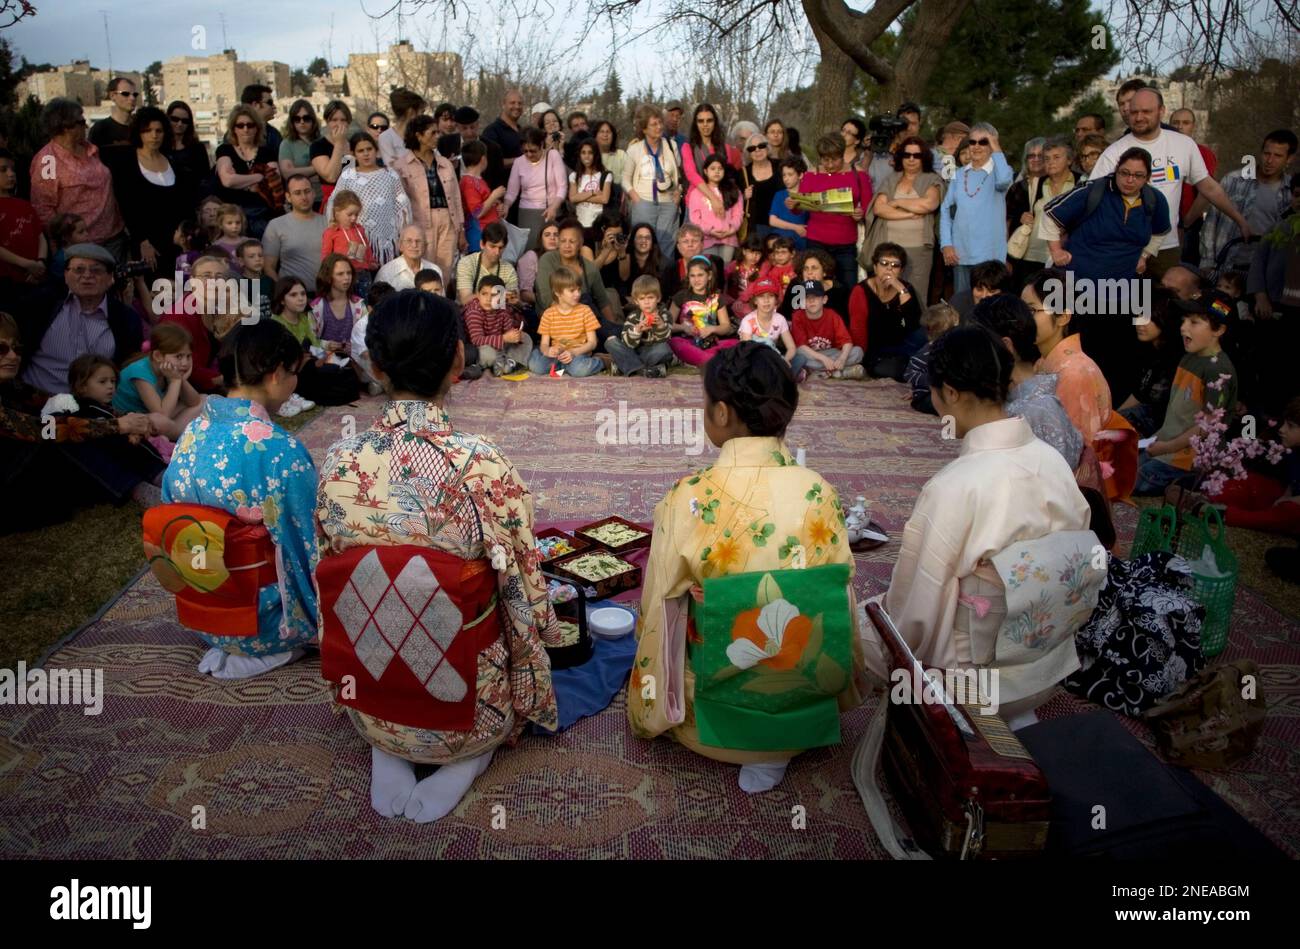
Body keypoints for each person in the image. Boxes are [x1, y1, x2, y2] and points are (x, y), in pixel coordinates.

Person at [315, 289, 560, 822]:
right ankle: (464, 758)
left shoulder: (339, 463)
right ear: (457, 357)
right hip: (470, 706)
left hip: (371, 694)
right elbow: (524, 588)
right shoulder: (481, 464)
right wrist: (544, 639)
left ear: (374, 365)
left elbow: (329, 579)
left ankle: (390, 743)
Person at [628, 342, 863, 793]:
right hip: (805, 705)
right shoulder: (819, 491)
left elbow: (659, 605)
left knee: (668, 604)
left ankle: (714, 726)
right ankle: (779, 742)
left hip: (708, 723)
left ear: (720, 412)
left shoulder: (691, 496)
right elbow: (839, 595)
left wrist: (648, 699)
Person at [866, 325, 1100, 726]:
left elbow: (915, 617)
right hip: (1046, 669)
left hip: (969, 684)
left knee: (854, 626)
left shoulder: (956, 486)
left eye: (934, 391)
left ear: (951, 393)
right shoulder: (1051, 460)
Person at [160, 319, 319, 679]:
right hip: (266, 623)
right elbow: (307, 547)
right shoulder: (279, 451)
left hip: (203, 610)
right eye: (294, 372)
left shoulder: (192, 433)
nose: (296, 382)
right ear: (276, 373)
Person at [0, 312, 155, 533]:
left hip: (32, 482)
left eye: (17, 348)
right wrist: (119, 425)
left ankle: (156, 476)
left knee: (77, 410)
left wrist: (121, 417)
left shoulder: (13, 387)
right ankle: (139, 490)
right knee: (62, 429)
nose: (13, 356)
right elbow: (43, 430)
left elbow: (69, 403)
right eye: (2, 349)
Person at [1042, 147, 1171, 401]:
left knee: (1125, 354)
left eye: (1137, 175)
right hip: (1080, 284)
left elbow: (1161, 231)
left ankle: (1115, 412)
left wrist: (1144, 256)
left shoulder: (1155, 201)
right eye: (1124, 173)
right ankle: (1071, 406)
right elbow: (1050, 214)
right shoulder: (1094, 191)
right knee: (1080, 350)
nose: (1129, 180)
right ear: (1116, 170)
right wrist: (1056, 250)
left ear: (1147, 177)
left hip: (1127, 289)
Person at [1090, 89, 1249, 278]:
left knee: (1166, 301)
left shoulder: (1183, 145)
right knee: (1124, 304)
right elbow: (1092, 197)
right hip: (1123, 246)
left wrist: (1240, 220)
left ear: (1161, 111)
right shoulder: (1115, 151)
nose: (1139, 117)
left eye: (1146, 111)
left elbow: (1208, 187)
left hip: (1166, 245)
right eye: (1134, 112)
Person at [1135, 296, 1238, 495]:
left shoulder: (1219, 370)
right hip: (1166, 446)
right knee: (1122, 467)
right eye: (1184, 320)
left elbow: (1208, 425)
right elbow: (1178, 414)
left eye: (1194, 322)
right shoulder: (1188, 357)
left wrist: (1167, 447)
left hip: (1187, 459)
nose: (1183, 328)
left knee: (1134, 481)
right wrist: (1157, 442)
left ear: (1219, 330)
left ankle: (1193, 483)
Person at [970, 294, 1084, 469]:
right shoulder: (1018, 397)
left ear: (1006, 347)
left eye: (978, 346)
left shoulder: (1037, 410)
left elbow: (1053, 485)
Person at [18, 243, 142, 397]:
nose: (87, 275)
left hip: (93, 409)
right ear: (65, 275)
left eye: (96, 270)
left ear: (111, 278)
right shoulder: (39, 304)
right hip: (35, 402)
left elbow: (127, 369)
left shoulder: (127, 319)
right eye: (79, 269)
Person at [30, 99, 128, 262]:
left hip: (113, 238)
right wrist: (64, 245)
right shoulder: (48, 160)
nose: (86, 126)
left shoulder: (92, 150)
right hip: (80, 247)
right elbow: (43, 209)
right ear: (64, 126)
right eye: (81, 122)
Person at [1023, 268, 1112, 442]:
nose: (1021, 318)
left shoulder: (1074, 373)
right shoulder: (1044, 362)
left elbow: (1074, 449)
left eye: (1032, 311)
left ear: (1063, 317)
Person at [108, 106, 194, 282]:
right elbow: (127, 206)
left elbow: (184, 204)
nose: (154, 135)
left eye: (158, 131)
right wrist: (142, 241)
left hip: (176, 243)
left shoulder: (173, 162)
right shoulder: (126, 163)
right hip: (147, 246)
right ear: (139, 133)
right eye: (147, 131)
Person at [1198, 129, 1297, 274]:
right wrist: (1207, 261)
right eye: (1267, 154)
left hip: (1264, 269)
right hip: (1226, 265)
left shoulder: (1291, 191)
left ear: (1289, 159)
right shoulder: (1233, 180)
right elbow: (1211, 222)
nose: (1270, 160)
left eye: (1278, 156)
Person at [866, 136, 941, 301]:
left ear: (924, 157)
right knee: (886, 294)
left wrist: (897, 202)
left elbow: (929, 204)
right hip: (888, 250)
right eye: (907, 155)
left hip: (919, 250)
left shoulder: (931, 179)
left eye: (917, 155)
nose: (911, 159)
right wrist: (908, 214)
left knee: (917, 296)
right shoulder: (892, 179)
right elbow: (879, 208)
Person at [939, 123, 1013, 292]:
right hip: (960, 253)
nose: (977, 146)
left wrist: (996, 147)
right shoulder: (958, 174)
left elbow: (1003, 181)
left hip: (990, 256)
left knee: (987, 307)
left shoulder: (1001, 171)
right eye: (972, 142)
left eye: (983, 142)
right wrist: (946, 244)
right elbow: (945, 210)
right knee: (963, 304)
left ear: (993, 143)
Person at [324, 131, 412, 270]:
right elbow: (335, 203)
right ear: (353, 153)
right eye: (360, 150)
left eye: (369, 149)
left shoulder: (389, 174)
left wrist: (403, 234)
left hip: (385, 240)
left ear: (376, 151)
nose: (366, 154)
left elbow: (402, 206)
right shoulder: (348, 176)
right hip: (355, 238)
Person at [392, 115, 466, 280]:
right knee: (422, 267)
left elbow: (455, 197)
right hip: (419, 221)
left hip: (448, 220)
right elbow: (399, 204)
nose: (437, 137)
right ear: (418, 135)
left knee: (445, 270)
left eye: (438, 133)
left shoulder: (445, 163)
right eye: (432, 133)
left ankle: (441, 302)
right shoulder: (401, 165)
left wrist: (461, 229)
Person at [113, 322, 205, 440]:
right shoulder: (140, 372)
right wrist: (176, 381)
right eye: (179, 357)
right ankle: (176, 434)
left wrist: (180, 379)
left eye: (188, 356)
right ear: (158, 356)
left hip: (155, 414)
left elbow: (194, 401)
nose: (185, 363)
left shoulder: (167, 369)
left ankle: (174, 432)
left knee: (204, 399)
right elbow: (162, 415)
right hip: (133, 421)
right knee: (161, 420)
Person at [801, 134, 871, 289]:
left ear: (842, 155)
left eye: (835, 159)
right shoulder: (811, 174)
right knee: (813, 288)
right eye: (825, 159)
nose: (830, 164)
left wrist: (860, 212)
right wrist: (793, 205)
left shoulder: (858, 174)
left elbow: (868, 206)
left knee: (847, 288)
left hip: (845, 243)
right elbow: (800, 209)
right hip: (816, 241)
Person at [1117, 287, 1184, 436]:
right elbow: (1139, 394)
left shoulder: (1176, 358)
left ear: (1164, 318)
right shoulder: (1145, 349)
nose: (1140, 322)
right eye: (1139, 314)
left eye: (1149, 317)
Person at [851, 242, 923, 381]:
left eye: (895, 265)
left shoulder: (906, 288)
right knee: (893, 370)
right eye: (884, 263)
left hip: (902, 346)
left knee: (922, 340)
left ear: (901, 270)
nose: (889, 268)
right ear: (875, 267)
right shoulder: (860, 291)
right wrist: (863, 361)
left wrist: (900, 289)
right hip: (875, 351)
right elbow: (857, 329)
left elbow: (913, 325)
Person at [534, 217, 618, 329]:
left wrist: (612, 327)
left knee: (613, 333)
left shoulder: (590, 267)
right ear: (558, 241)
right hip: (555, 321)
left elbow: (603, 302)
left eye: (572, 241)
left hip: (587, 321)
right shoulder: (547, 260)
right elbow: (546, 299)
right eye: (563, 241)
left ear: (580, 243)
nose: (567, 246)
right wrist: (573, 321)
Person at [213, 104, 281, 240]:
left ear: (257, 128)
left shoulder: (266, 153)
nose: (245, 129)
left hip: (261, 216)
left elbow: (274, 179)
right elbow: (228, 181)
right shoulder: (225, 150)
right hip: (232, 218)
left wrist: (239, 180)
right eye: (240, 125)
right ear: (234, 129)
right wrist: (259, 176)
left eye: (250, 125)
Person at [624, 105, 683, 256]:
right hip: (643, 203)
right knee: (643, 245)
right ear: (644, 129)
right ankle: (644, 278)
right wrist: (636, 198)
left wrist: (678, 193)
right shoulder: (634, 149)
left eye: (660, 123)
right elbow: (625, 179)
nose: (659, 127)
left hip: (668, 203)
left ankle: (664, 278)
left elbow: (678, 174)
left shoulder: (672, 146)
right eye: (654, 124)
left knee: (667, 245)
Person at [530, 268, 605, 377]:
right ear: (558, 293)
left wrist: (573, 352)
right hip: (557, 355)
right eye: (572, 290)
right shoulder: (548, 314)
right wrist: (547, 351)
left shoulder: (585, 310)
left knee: (579, 370)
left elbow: (592, 343)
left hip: (579, 353)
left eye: (579, 289)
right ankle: (563, 367)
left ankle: (602, 361)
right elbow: (544, 344)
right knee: (536, 366)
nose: (577, 294)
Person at [669, 254, 738, 367]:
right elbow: (668, 324)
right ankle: (709, 360)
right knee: (674, 343)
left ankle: (701, 359)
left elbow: (726, 327)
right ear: (688, 277)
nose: (696, 280)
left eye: (700, 275)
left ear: (709, 275)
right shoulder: (681, 296)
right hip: (688, 341)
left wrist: (712, 329)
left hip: (710, 343)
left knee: (736, 344)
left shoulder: (717, 297)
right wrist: (684, 328)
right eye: (692, 276)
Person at [261, 173, 326, 285]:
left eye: (307, 191)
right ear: (288, 197)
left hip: (326, 296)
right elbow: (268, 266)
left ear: (314, 193)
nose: (304, 197)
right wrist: (283, 292)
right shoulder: (276, 225)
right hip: (291, 297)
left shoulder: (328, 223)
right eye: (297, 193)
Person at [0, 148, 47, 293]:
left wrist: (40, 262)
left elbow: (40, 237)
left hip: (35, 278)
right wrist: (27, 264)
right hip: (6, 283)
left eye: (12, 169)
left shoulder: (24, 205)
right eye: (3, 170)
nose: (11, 174)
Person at [607, 274, 674, 377]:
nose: (646, 302)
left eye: (650, 297)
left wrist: (660, 325)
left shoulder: (665, 315)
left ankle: (627, 366)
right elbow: (627, 343)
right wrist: (637, 330)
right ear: (636, 301)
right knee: (611, 342)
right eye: (642, 299)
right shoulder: (633, 316)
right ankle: (645, 370)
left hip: (651, 352)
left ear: (658, 298)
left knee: (664, 349)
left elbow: (665, 339)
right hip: (634, 350)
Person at [904, 302, 960, 414]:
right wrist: (931, 381)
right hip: (925, 397)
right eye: (955, 328)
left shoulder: (953, 349)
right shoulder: (925, 353)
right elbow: (909, 374)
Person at [687, 153, 744, 263]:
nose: (717, 171)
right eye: (712, 168)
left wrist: (731, 229)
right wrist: (710, 230)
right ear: (705, 171)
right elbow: (694, 219)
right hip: (707, 239)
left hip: (728, 238)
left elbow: (738, 214)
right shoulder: (697, 192)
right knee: (710, 270)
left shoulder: (734, 191)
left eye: (720, 168)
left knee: (726, 270)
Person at [737, 277, 799, 369]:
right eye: (761, 296)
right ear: (755, 301)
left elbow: (791, 347)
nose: (766, 300)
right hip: (754, 361)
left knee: (800, 358)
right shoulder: (747, 321)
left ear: (776, 300)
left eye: (770, 295)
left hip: (774, 358)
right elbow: (747, 352)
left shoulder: (780, 319)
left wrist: (785, 360)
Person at [459, 139, 507, 252]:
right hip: (478, 236)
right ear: (483, 159)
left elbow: (485, 202)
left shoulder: (479, 180)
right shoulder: (468, 182)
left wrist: (496, 205)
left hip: (489, 234)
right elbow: (477, 212)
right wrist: (494, 196)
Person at [455, 221, 518, 304]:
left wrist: (512, 298)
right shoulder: (466, 263)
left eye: (501, 247)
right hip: (468, 314)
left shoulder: (508, 269)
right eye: (492, 246)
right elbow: (465, 300)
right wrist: (497, 294)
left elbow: (516, 300)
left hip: (497, 314)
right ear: (482, 244)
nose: (497, 252)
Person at [278, 100, 323, 207]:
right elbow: (288, 173)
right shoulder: (287, 144)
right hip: (299, 202)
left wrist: (301, 171)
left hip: (323, 198)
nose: (302, 122)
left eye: (306, 118)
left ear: (312, 120)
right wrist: (318, 169)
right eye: (297, 119)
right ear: (292, 122)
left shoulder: (322, 141)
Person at [481, 89, 525, 188]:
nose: (517, 106)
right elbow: (490, 163)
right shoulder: (492, 131)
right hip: (502, 192)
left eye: (520, 103)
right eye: (512, 103)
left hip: (524, 192)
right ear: (503, 104)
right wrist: (521, 160)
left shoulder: (523, 131)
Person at [612, 222, 664, 306]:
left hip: (652, 305)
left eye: (647, 238)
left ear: (652, 243)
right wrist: (622, 253)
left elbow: (662, 293)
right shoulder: (624, 257)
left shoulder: (662, 262)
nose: (643, 241)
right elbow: (623, 280)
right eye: (639, 237)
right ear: (633, 241)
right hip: (626, 304)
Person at [739, 132, 779, 242]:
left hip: (781, 224)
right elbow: (733, 200)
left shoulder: (780, 166)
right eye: (752, 148)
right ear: (748, 153)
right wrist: (744, 196)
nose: (757, 150)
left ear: (767, 147)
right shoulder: (743, 173)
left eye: (761, 146)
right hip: (756, 227)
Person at [568, 138, 612, 232]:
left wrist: (581, 196)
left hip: (600, 225)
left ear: (595, 155)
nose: (586, 156)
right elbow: (572, 199)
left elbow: (604, 199)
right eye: (583, 153)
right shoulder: (574, 176)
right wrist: (593, 192)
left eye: (590, 153)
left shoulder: (605, 175)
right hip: (580, 224)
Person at [378, 88, 427, 170]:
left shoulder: (422, 134)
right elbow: (393, 168)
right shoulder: (386, 137)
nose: (423, 117)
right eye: (421, 112)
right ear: (411, 112)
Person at [516, 221, 560, 312]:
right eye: (547, 235)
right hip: (538, 307)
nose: (552, 238)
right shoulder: (531, 256)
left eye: (556, 235)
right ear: (541, 239)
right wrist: (549, 303)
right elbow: (525, 294)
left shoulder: (565, 258)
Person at [163, 100, 210, 183]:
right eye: (175, 119)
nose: (180, 124)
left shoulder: (198, 148)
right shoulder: (160, 146)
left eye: (185, 121)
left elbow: (205, 178)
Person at [88, 77, 137, 156]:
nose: (132, 98)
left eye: (135, 94)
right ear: (112, 96)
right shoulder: (100, 129)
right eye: (126, 94)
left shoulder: (141, 127)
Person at [768, 158, 809, 250]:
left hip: (801, 242)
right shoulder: (779, 195)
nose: (786, 178)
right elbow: (772, 221)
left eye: (790, 174)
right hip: (781, 243)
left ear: (801, 175)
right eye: (784, 175)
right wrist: (795, 227)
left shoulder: (808, 195)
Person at [241, 84, 281, 156]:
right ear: (255, 105)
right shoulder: (234, 134)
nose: (274, 106)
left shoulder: (274, 134)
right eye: (270, 102)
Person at [593, 120, 626, 197]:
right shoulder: (591, 155)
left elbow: (626, 178)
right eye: (602, 132)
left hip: (617, 196)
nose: (605, 135)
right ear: (595, 135)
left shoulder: (621, 154)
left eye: (608, 132)